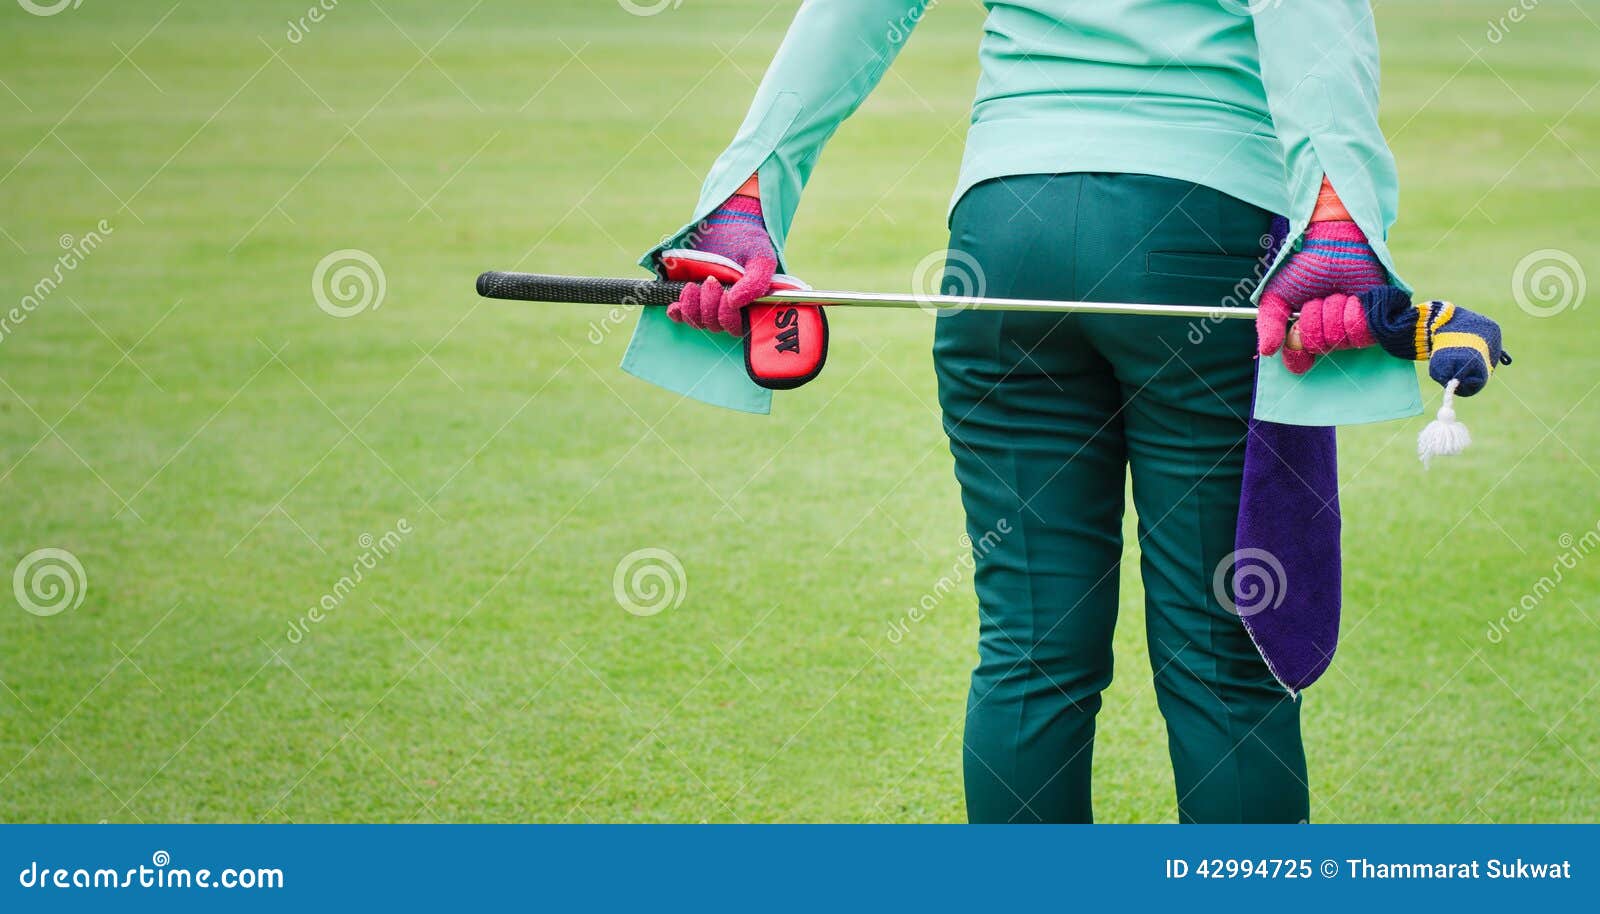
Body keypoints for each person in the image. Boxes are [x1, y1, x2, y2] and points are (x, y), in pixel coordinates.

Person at [634, 1, 1408, 824]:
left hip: (1002, 236)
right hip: (1205, 230)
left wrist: (743, 198)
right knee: (1226, 664)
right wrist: (1338, 219)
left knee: (1030, 655)